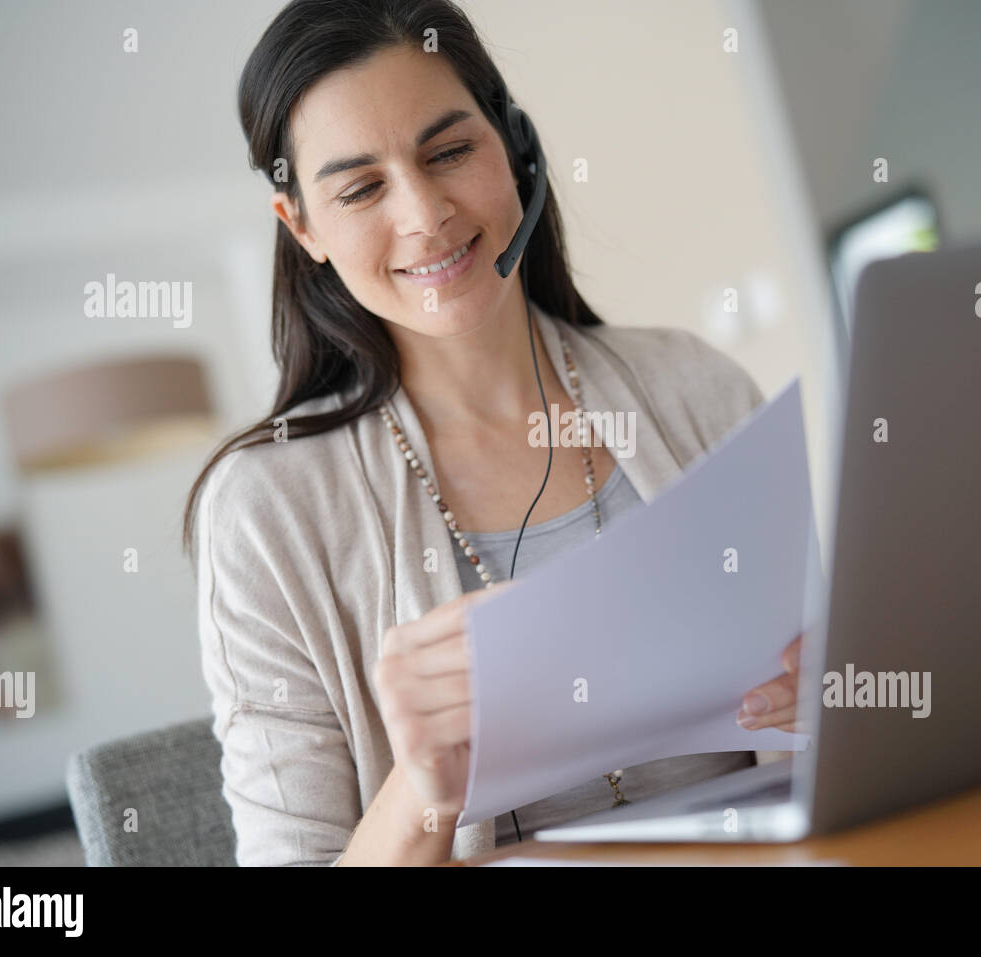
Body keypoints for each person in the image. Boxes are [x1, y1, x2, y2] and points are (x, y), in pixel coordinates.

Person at [182, 0, 802, 866]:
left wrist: (832, 698)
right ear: (304, 228)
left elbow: (829, 732)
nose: (425, 214)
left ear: (513, 146)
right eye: (361, 188)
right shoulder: (263, 510)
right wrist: (423, 792)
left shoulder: (695, 387)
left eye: (448, 151)